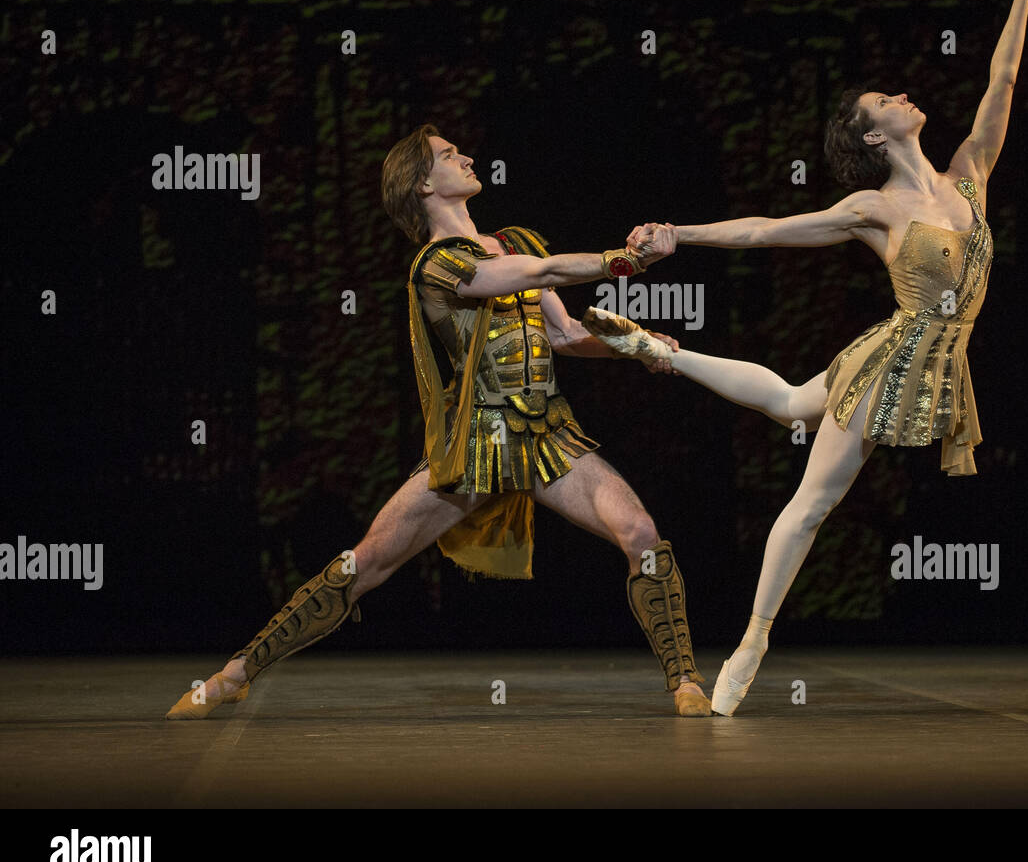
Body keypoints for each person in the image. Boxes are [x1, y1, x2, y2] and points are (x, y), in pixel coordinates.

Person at [584, 0, 1028, 715]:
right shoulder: (873, 205)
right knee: (813, 500)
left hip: (939, 357)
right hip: (895, 360)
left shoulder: (969, 177)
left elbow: (1000, 86)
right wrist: (676, 235)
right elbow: (765, 231)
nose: (902, 94)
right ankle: (754, 640)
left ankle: (660, 349)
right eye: (884, 99)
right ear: (873, 133)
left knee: (792, 400)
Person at [165, 123, 714, 720]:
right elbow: (538, 275)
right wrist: (625, 260)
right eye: (450, 155)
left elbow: (565, 335)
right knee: (369, 561)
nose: (468, 156)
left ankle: (684, 678)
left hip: (546, 436)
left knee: (639, 533)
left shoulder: (516, 240)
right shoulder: (436, 265)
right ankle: (236, 673)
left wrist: (638, 346)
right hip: (477, 443)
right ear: (424, 183)